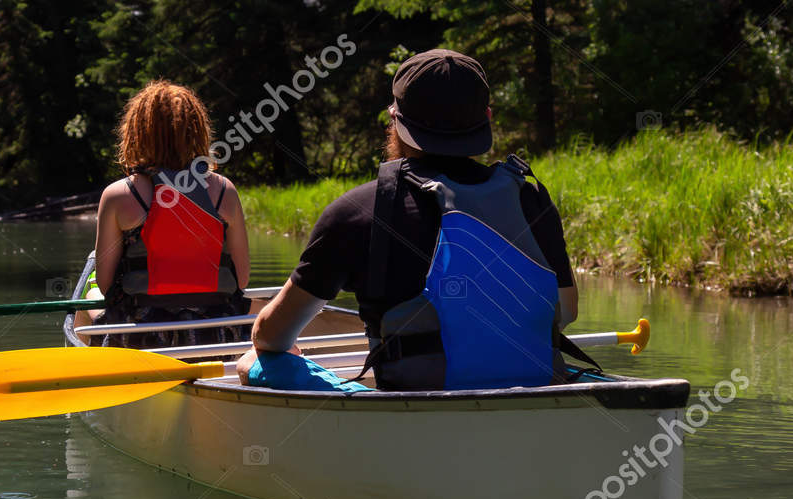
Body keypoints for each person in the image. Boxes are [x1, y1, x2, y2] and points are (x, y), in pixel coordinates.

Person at [243, 49, 580, 391]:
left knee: (254, 359)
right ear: (487, 118)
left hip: (413, 405)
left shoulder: (358, 210)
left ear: (394, 118)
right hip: (533, 390)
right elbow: (565, 312)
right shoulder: (531, 199)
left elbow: (273, 336)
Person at [90, 80, 250, 347]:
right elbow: (241, 279)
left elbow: (107, 286)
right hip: (216, 335)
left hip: (143, 338)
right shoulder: (224, 190)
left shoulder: (118, 195)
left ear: (137, 133)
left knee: (92, 294)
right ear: (197, 132)